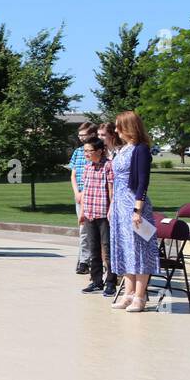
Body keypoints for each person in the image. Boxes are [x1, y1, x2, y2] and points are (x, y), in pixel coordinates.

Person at [108, 111, 159, 313]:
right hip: (119, 205)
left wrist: (137, 209)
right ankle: (127, 293)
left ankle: (139, 296)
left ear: (127, 127)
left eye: (118, 126)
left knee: (139, 250)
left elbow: (143, 181)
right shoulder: (123, 149)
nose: (115, 130)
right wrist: (112, 206)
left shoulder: (141, 150)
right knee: (125, 249)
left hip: (134, 204)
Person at [78, 137, 117, 297]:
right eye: (85, 151)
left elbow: (111, 189)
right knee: (93, 249)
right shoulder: (87, 167)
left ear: (100, 151)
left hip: (104, 214)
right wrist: (82, 212)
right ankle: (96, 281)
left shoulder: (108, 166)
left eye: (89, 151)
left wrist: (111, 208)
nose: (86, 154)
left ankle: (111, 282)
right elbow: (85, 190)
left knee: (107, 249)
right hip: (89, 213)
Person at [68, 122, 100, 276]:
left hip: (93, 195)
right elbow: (73, 174)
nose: (81, 138)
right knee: (83, 229)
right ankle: (83, 261)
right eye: (79, 135)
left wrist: (85, 193)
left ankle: (92, 260)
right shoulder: (78, 152)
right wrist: (77, 193)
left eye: (84, 135)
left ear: (92, 135)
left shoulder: (96, 152)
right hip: (79, 195)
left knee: (93, 229)